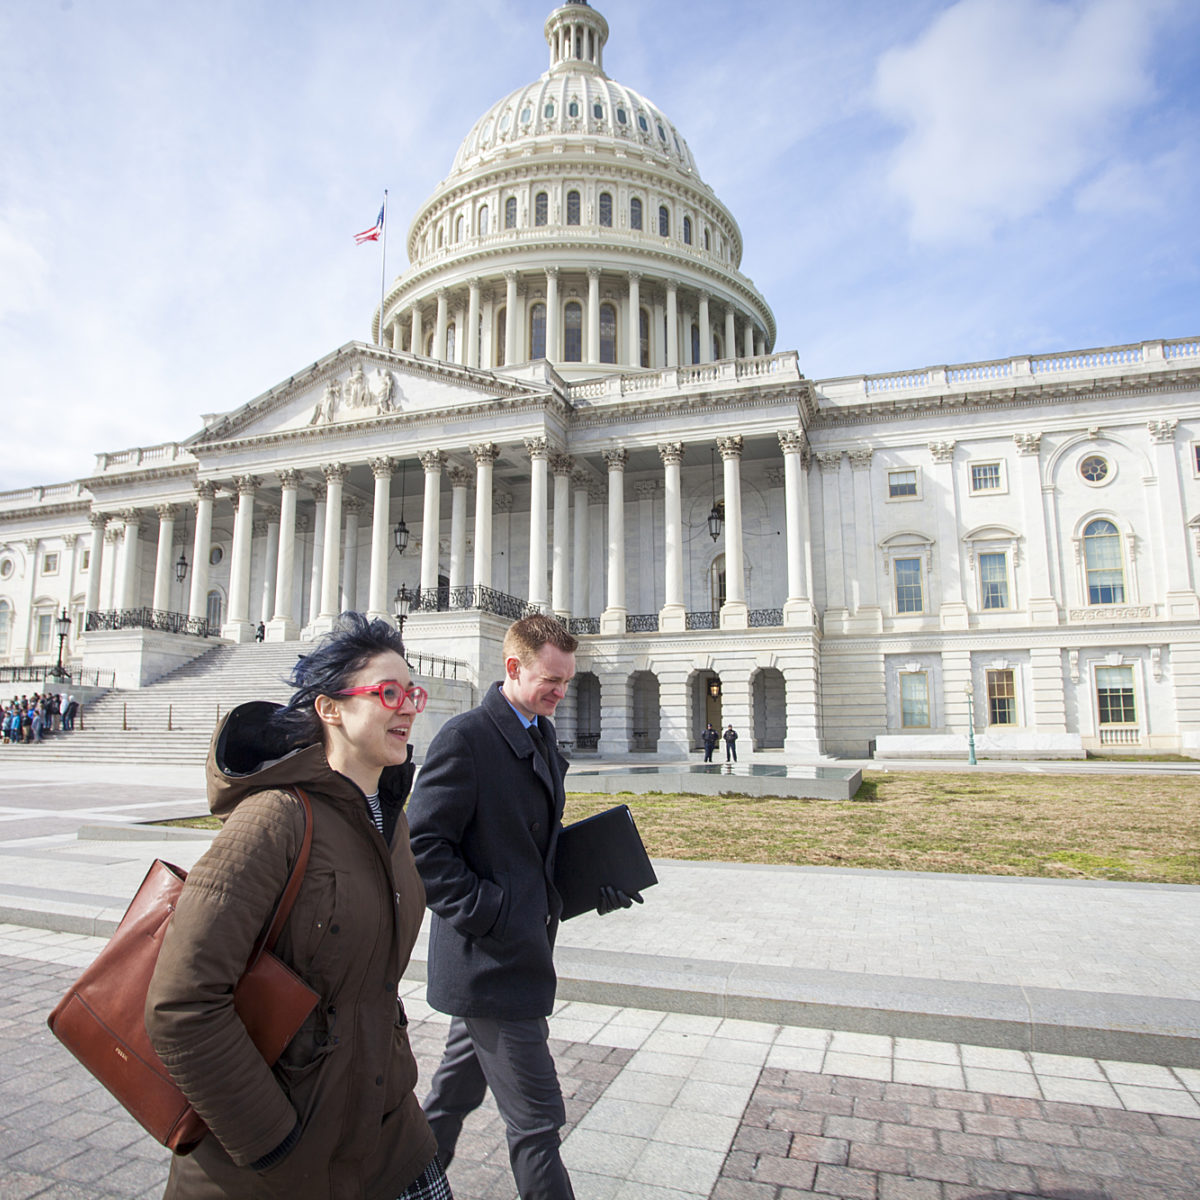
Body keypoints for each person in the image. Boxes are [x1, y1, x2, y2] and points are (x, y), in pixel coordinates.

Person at [146, 613, 450, 1200]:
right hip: (277, 1158)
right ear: (330, 709)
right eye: (389, 693)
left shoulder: (392, 823)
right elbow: (181, 1001)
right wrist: (271, 1139)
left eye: (413, 693)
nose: (409, 708)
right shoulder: (274, 818)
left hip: (386, 1128)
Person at [408, 615, 640, 1200]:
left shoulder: (538, 732)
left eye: (567, 680)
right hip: (491, 962)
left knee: (452, 1096)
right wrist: (492, 912)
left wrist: (593, 883)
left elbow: (535, 847)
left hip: (515, 950)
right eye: (551, 680)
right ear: (513, 667)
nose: (561, 691)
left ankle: (406, 1187)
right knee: (537, 1123)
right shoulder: (465, 738)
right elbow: (421, 847)